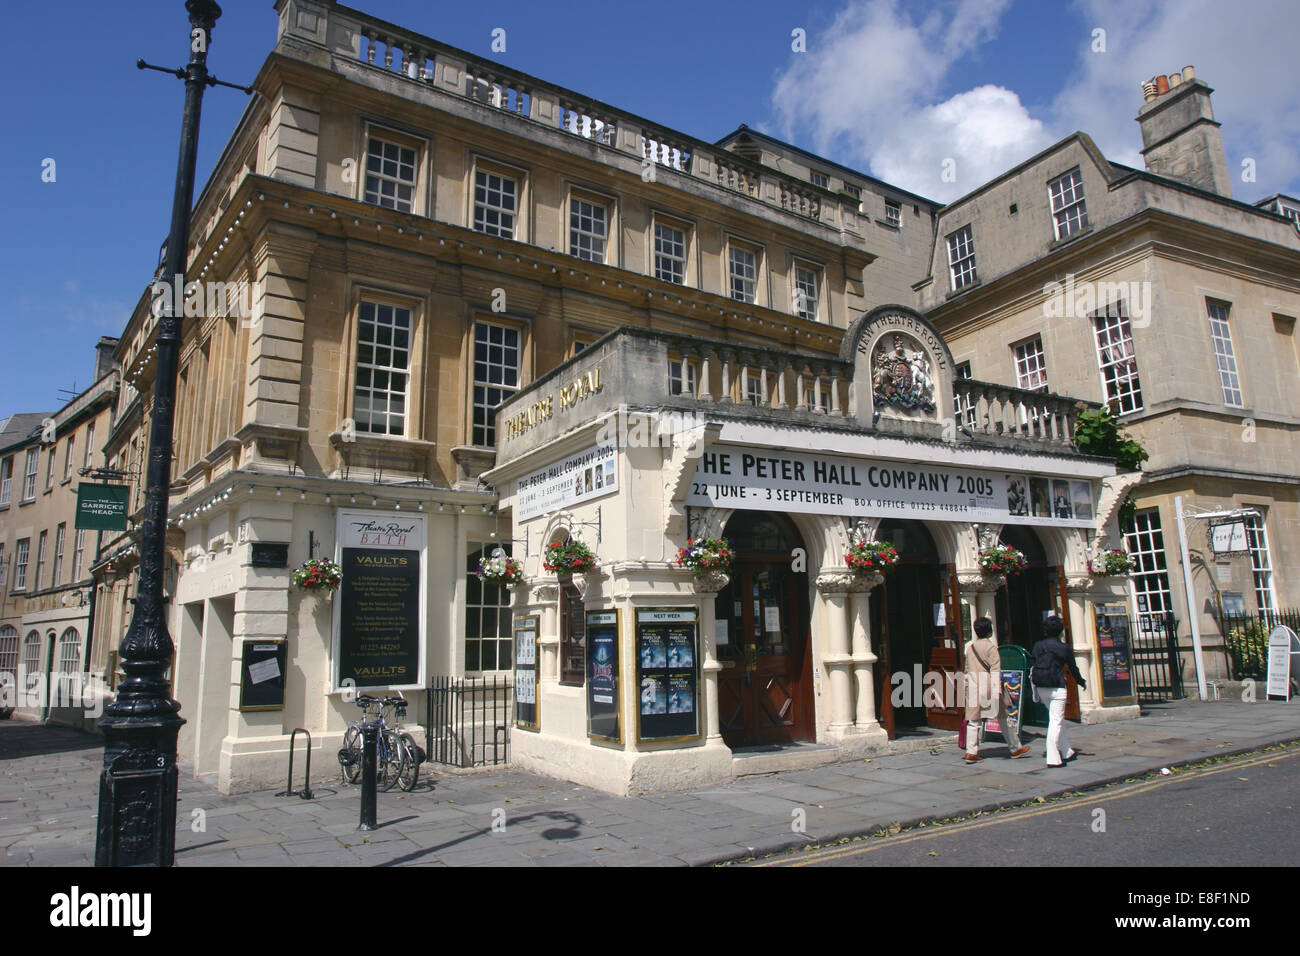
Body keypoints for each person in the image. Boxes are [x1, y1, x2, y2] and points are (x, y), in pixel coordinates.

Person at [963, 617, 1030, 763]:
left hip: (973, 685)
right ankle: (1015, 747)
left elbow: (967, 669)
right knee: (1003, 717)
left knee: (974, 719)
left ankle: (971, 751)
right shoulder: (990, 647)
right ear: (989, 630)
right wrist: (996, 690)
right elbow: (995, 669)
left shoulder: (970, 648)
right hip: (988, 685)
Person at [1031, 615, 1087, 768]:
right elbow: (1072, 668)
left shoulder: (1038, 646)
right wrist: (1081, 681)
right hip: (1057, 687)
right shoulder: (1064, 648)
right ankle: (1053, 757)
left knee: (1056, 718)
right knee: (1055, 721)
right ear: (1061, 631)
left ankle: (1067, 751)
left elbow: (1032, 663)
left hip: (1042, 687)